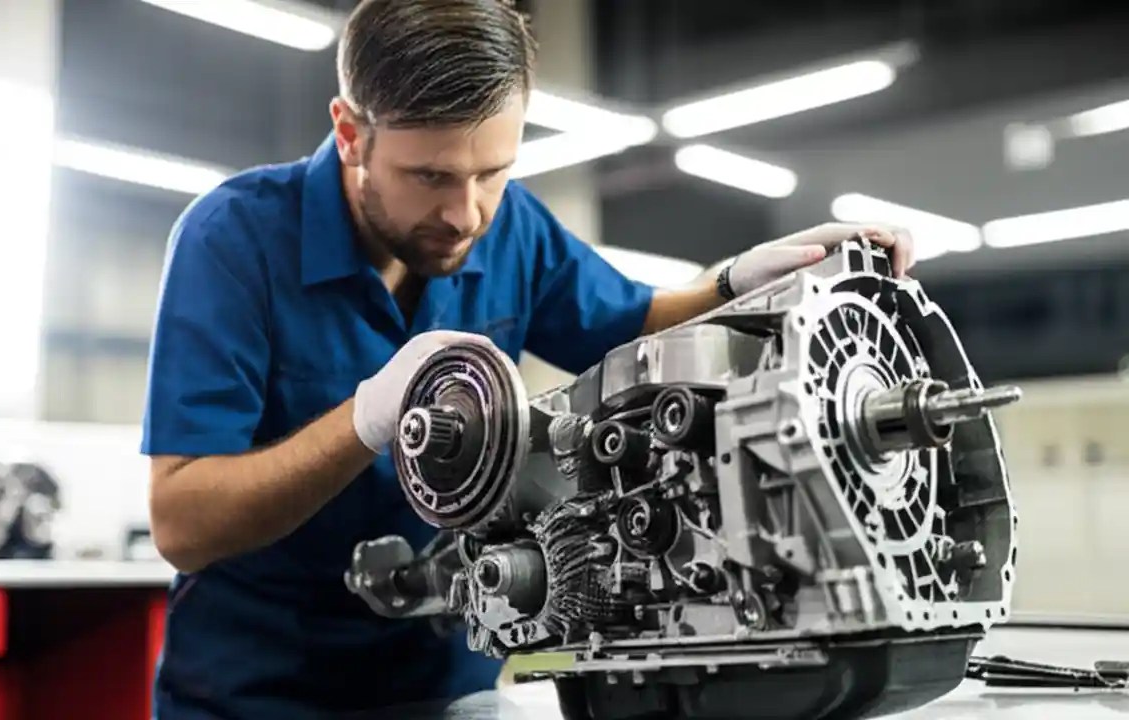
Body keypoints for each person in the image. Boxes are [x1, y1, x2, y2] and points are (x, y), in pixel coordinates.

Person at [140, 0, 915, 717]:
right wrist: (367, 420)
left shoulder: (515, 230)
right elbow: (182, 522)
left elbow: (633, 325)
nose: (465, 213)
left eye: (492, 172)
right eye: (430, 176)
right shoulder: (232, 241)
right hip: (258, 689)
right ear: (350, 132)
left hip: (446, 678)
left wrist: (737, 282)